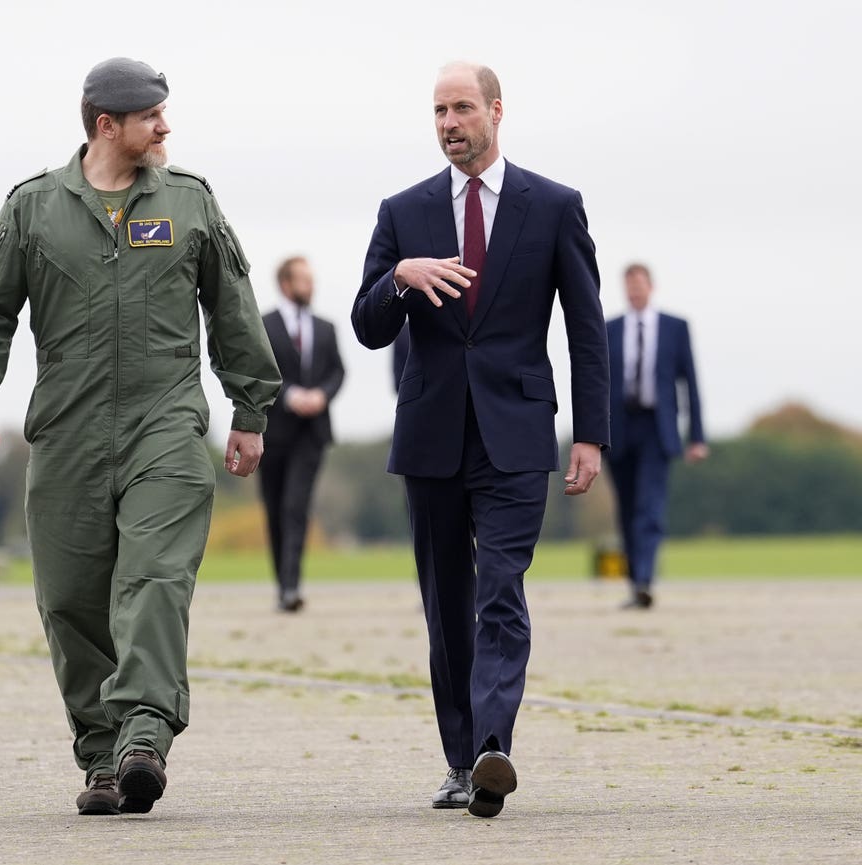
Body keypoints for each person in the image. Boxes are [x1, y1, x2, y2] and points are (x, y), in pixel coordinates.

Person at [0, 57, 280, 817]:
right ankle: (102, 758)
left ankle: (144, 735)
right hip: (66, 433)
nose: (165, 127)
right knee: (70, 599)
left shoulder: (190, 201)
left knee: (153, 580)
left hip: (165, 424)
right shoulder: (33, 208)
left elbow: (233, 308)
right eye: (150, 116)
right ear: (107, 125)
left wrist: (250, 409)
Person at [351, 61, 609, 819]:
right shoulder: (403, 211)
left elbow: (586, 330)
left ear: (497, 111)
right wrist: (400, 277)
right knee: (446, 604)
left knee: (500, 589)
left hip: (518, 432)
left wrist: (590, 435)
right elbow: (367, 327)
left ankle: (494, 746)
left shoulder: (554, 206)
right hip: (431, 434)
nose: (449, 124)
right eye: (439, 111)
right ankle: (461, 761)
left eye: (462, 108)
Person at [606, 263, 707, 609]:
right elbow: (596, 383)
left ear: (651, 287)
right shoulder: (609, 329)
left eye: (639, 284)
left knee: (649, 506)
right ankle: (635, 583)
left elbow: (690, 382)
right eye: (629, 285)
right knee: (626, 508)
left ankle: (645, 579)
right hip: (619, 428)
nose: (634, 290)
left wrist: (697, 437)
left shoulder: (675, 328)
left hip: (657, 429)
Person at [259, 256, 346, 612]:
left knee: (296, 506)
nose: (311, 285)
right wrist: (290, 395)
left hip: (312, 433)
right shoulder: (263, 325)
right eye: (304, 279)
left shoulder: (325, 328)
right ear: (286, 284)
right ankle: (283, 584)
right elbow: (258, 371)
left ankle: (291, 588)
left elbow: (338, 371)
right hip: (274, 432)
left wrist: (322, 395)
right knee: (275, 508)